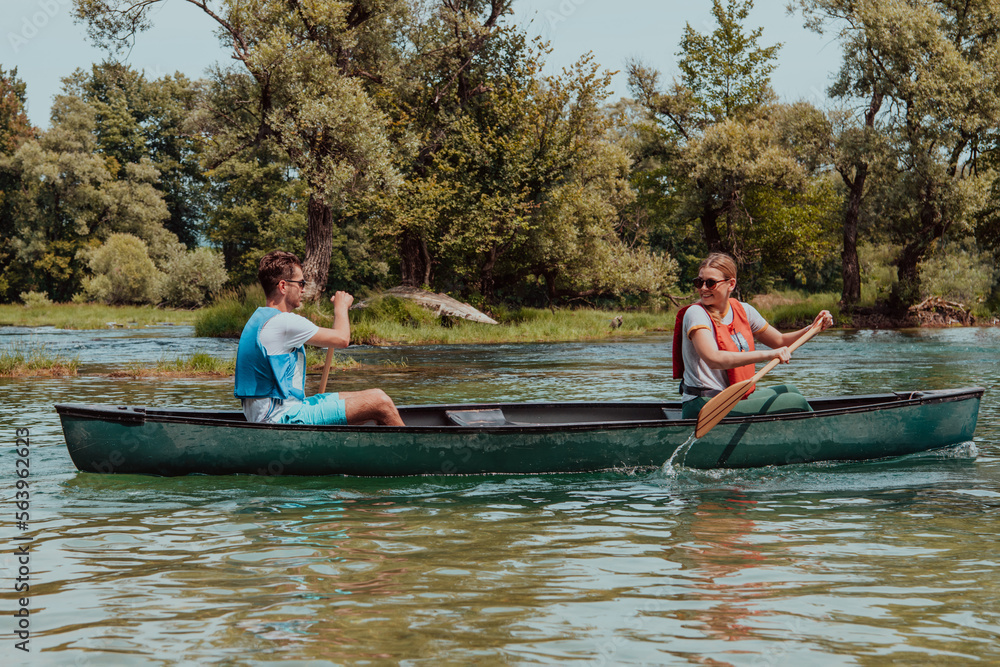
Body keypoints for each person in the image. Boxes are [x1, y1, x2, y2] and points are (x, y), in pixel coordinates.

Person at [235, 250, 405, 426]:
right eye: (300, 283)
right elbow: (342, 339)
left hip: (284, 411)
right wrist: (341, 307)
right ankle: (412, 449)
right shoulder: (284, 322)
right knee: (380, 402)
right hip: (282, 419)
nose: (303, 288)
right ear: (283, 286)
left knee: (374, 394)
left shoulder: (259, 319)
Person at [672, 252, 834, 420]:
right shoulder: (696, 313)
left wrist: (813, 328)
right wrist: (769, 355)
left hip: (730, 399)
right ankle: (821, 434)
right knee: (795, 401)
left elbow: (779, 340)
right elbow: (713, 359)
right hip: (703, 403)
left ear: (731, 284)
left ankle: (814, 432)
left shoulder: (744, 310)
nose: (703, 288)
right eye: (699, 282)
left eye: (710, 283)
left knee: (789, 390)